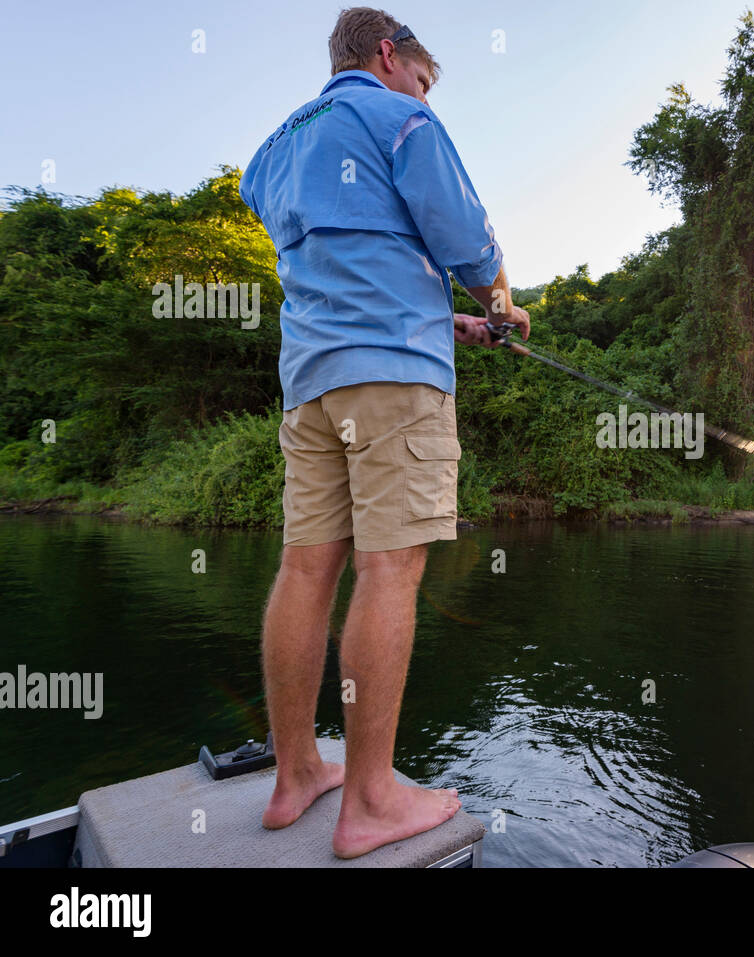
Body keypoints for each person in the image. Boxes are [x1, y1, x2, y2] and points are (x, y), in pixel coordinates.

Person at [238, 6, 529, 859]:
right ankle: (369, 799)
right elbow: (466, 239)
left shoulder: (273, 149)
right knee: (391, 570)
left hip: (311, 386)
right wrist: (497, 306)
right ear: (388, 54)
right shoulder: (399, 116)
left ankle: (297, 776)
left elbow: (345, 254)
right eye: (425, 80)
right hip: (395, 381)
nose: (427, 97)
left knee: (304, 567)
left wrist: (442, 323)